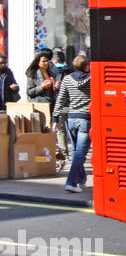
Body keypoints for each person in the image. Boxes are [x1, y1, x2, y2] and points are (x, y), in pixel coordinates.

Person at [52, 54, 92, 192]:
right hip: (86, 119)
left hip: (71, 118)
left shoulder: (67, 79)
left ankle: (81, 180)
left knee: (76, 151)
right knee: (80, 153)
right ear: (86, 66)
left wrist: (55, 118)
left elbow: (61, 99)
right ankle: (71, 183)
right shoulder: (92, 79)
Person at [25, 49, 59, 125]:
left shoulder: (51, 73)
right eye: (43, 61)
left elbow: (51, 90)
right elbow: (29, 92)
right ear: (38, 62)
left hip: (51, 105)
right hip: (39, 107)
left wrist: (56, 87)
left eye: (47, 61)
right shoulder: (33, 73)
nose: (46, 63)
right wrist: (42, 87)